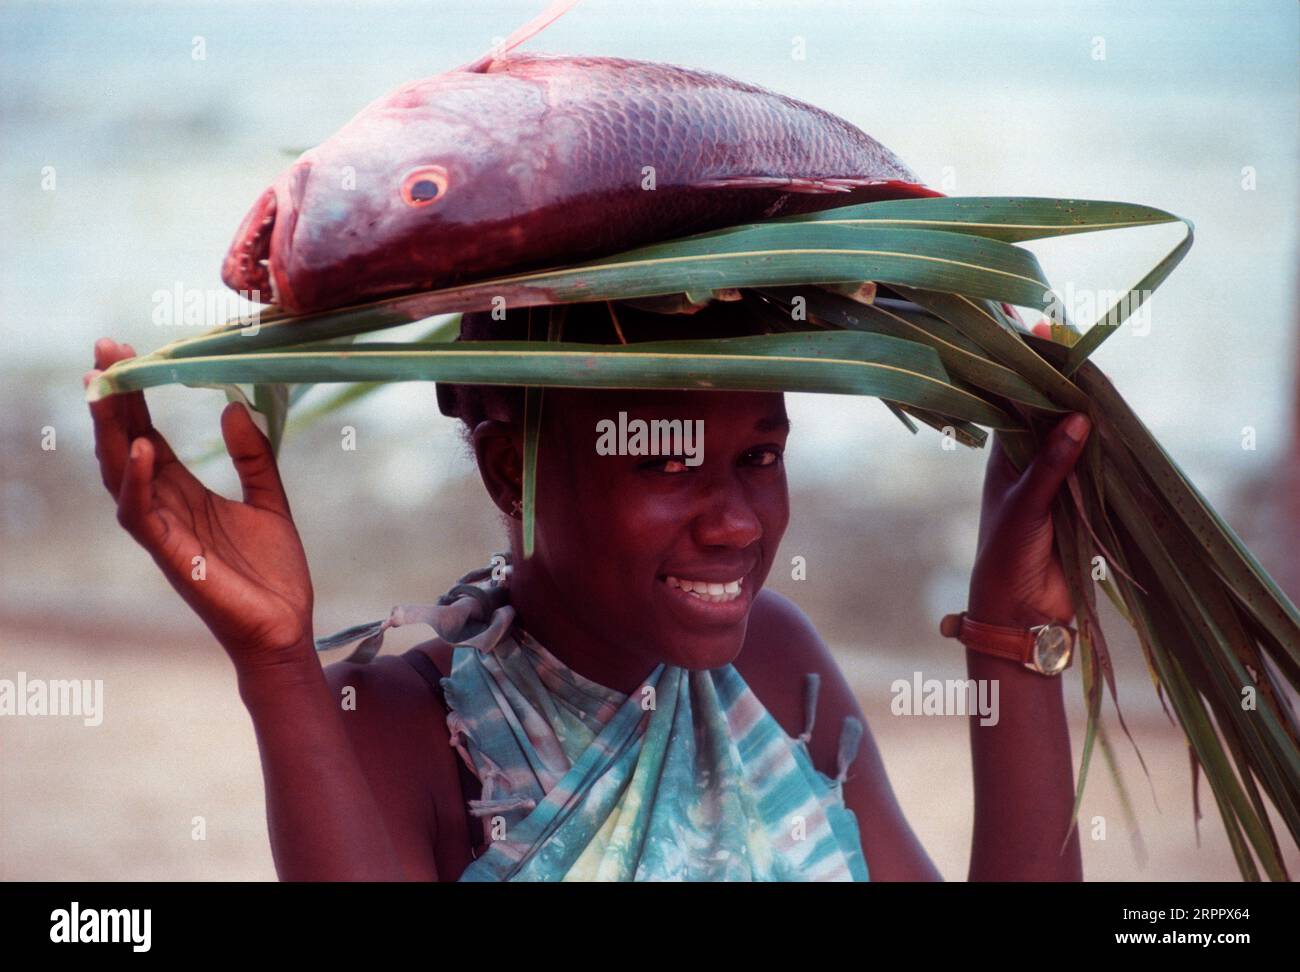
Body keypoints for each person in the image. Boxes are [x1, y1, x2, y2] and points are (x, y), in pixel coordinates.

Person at [85, 294, 1089, 881]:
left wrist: (1012, 627)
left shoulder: (774, 668)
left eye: (759, 454)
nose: (736, 521)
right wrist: (277, 665)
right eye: (662, 463)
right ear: (505, 471)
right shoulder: (400, 730)